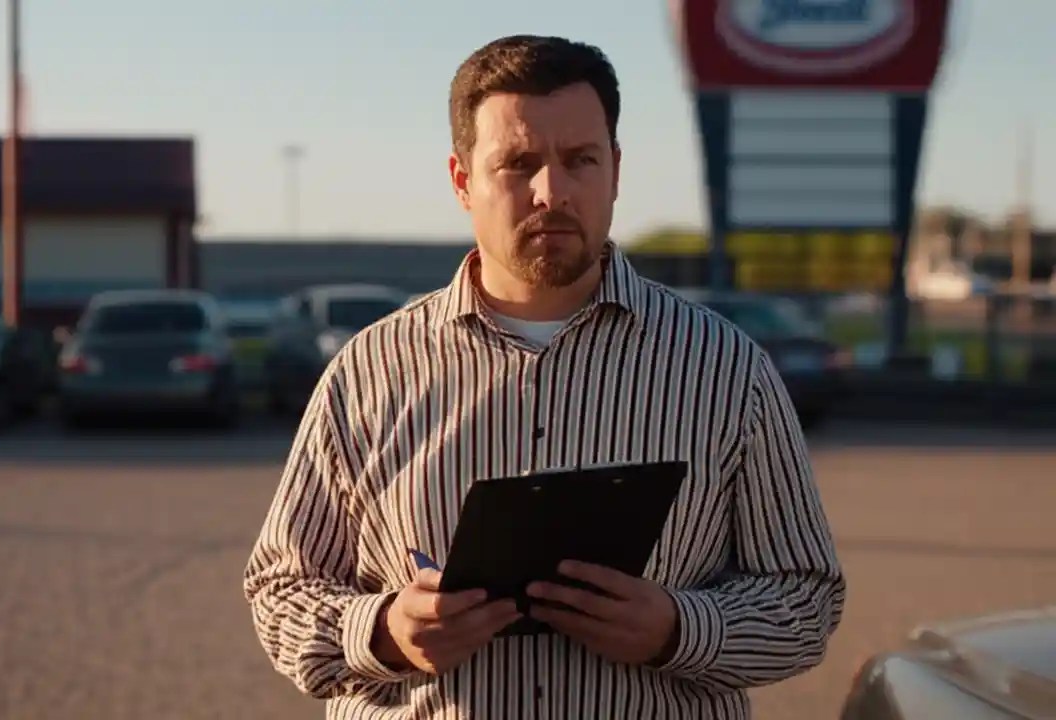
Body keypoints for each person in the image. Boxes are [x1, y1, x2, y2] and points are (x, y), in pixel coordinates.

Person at [244, 34, 845, 719]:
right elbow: (280, 591)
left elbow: (806, 598)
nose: (551, 191)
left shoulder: (725, 367)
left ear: (615, 171)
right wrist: (383, 632)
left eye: (579, 160)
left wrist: (680, 629)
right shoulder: (369, 371)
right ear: (462, 180)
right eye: (518, 163)